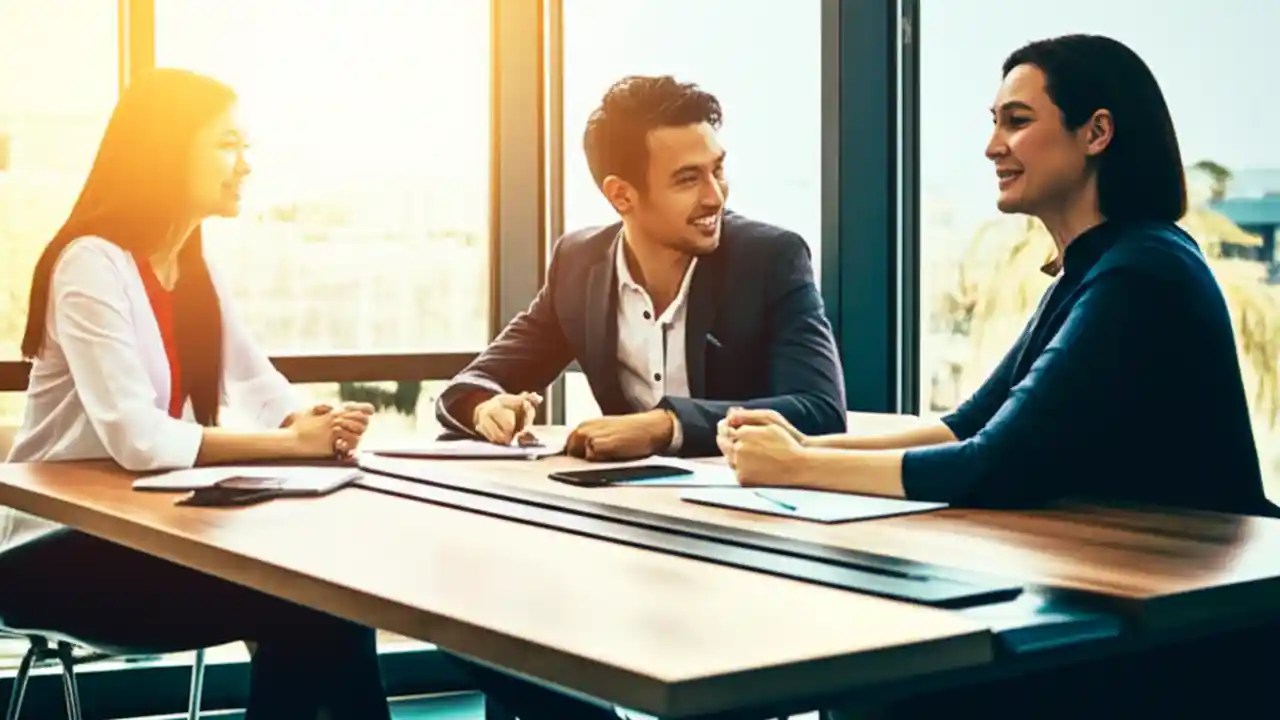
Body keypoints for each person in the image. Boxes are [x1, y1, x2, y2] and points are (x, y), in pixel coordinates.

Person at [720, 34, 1276, 519]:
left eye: (1018, 121)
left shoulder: (1139, 272)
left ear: (1096, 132)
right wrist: (810, 446)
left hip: (1205, 602)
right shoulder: (1095, 267)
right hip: (1142, 572)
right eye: (996, 123)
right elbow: (966, 426)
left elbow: (993, 465)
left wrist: (797, 467)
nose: (992, 148)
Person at [1, 68, 391, 719]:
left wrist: (308, 418)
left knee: (328, 596)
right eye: (227, 145)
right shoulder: (89, 263)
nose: (245, 166)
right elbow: (138, 438)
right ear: (165, 150)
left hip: (150, 534)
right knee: (314, 602)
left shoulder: (191, 266)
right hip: (52, 554)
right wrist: (291, 443)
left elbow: (255, 381)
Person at [436, 75, 846, 461]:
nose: (715, 196)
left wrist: (665, 425)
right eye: (688, 179)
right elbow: (472, 384)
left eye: (717, 169)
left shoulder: (770, 259)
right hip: (624, 511)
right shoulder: (579, 266)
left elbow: (819, 409)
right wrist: (485, 409)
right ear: (621, 195)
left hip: (754, 511)